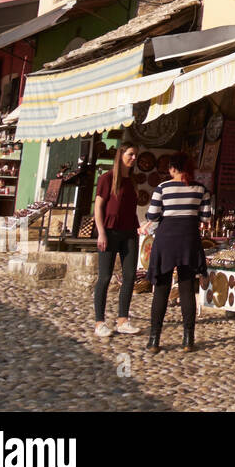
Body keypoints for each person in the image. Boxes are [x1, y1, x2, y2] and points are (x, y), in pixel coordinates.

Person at [143, 153, 211, 353]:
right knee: (187, 289)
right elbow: (206, 217)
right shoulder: (201, 189)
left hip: (166, 240)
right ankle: (188, 339)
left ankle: (154, 339)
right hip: (188, 239)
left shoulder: (162, 188)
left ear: (172, 168)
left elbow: (152, 215)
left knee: (162, 289)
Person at [92, 144, 141, 338]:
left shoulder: (133, 181)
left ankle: (123, 320)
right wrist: (101, 232)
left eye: (135, 154)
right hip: (110, 231)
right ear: (121, 156)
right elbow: (98, 207)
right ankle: (99, 322)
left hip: (129, 232)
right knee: (104, 277)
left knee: (129, 276)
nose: (133, 158)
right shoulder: (106, 179)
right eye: (130, 154)